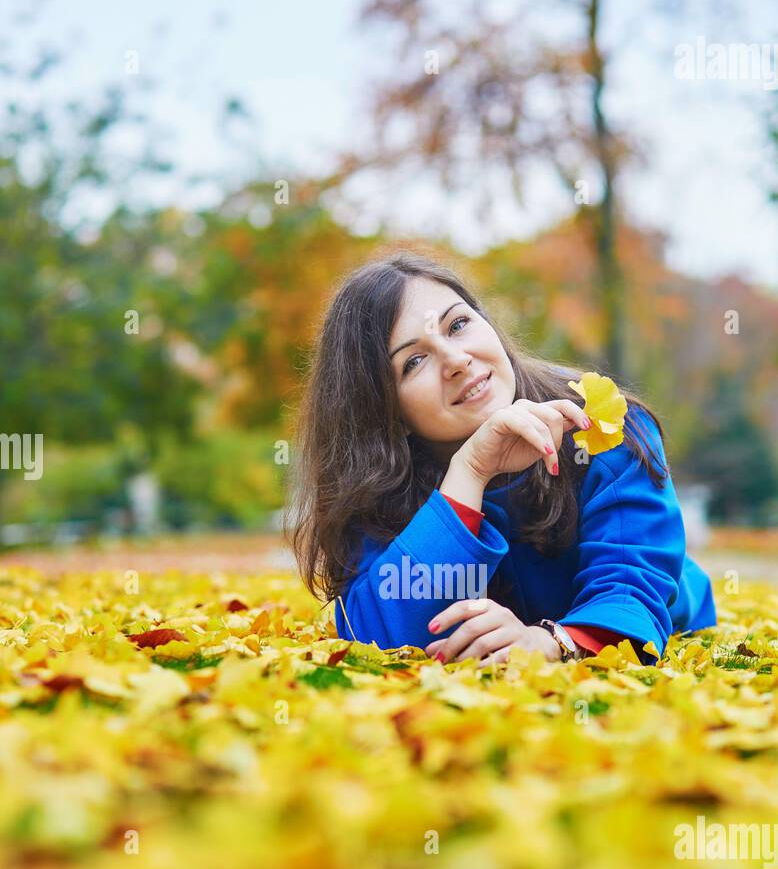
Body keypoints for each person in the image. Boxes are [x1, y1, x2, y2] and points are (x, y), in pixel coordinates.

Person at [291, 251, 716, 666]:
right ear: (384, 409)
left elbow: (631, 588)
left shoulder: (601, 424)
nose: (456, 360)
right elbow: (374, 634)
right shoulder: (379, 485)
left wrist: (552, 641)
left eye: (457, 324)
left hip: (665, 617)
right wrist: (469, 473)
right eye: (414, 361)